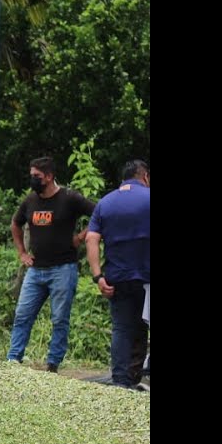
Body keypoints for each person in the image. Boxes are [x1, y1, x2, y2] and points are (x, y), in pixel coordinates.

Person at [6, 156, 97, 372]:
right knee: (23, 314)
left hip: (63, 269)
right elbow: (15, 224)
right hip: (36, 270)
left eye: (36, 176)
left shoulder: (69, 198)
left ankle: (53, 364)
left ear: (49, 176)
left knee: (59, 319)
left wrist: (81, 237)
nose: (33, 180)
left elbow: (100, 213)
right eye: (31, 176)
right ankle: (13, 360)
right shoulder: (30, 201)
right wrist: (22, 253)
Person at [85, 160, 150, 389]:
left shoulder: (105, 203)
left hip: (117, 278)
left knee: (122, 329)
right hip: (147, 277)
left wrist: (98, 276)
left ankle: (122, 381)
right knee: (144, 325)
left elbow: (91, 239)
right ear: (145, 177)